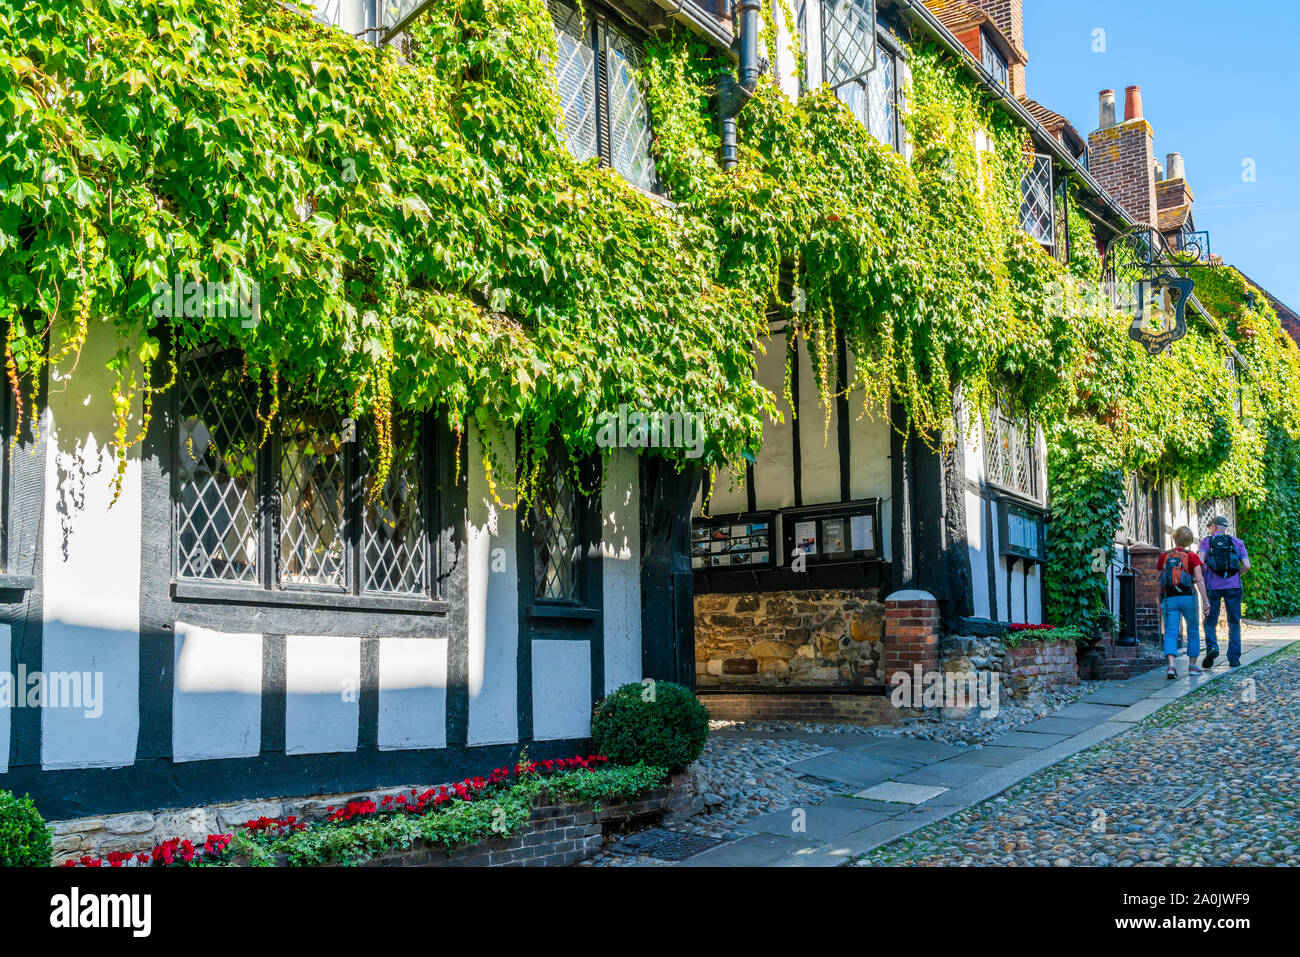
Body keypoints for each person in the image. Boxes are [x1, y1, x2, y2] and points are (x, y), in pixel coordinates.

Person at [1156, 526, 1208, 678]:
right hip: (1188, 598)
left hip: (1169, 598)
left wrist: (1159, 600)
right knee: (1192, 631)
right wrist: (1206, 600)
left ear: (1174, 538)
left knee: (1171, 632)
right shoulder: (1192, 556)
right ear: (1189, 540)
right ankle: (1192, 666)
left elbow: (1159, 577)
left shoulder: (1165, 556)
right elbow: (1199, 579)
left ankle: (1171, 666)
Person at [1199, 515, 1250, 669]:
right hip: (1233, 586)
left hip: (1213, 587)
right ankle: (1234, 659)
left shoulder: (1206, 542)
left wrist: (1207, 574)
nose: (1209, 529)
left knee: (1210, 621)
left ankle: (1212, 647)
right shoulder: (1237, 542)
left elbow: (1201, 563)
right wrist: (1235, 575)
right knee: (1234, 622)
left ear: (1214, 527)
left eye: (1209, 527)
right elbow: (1247, 565)